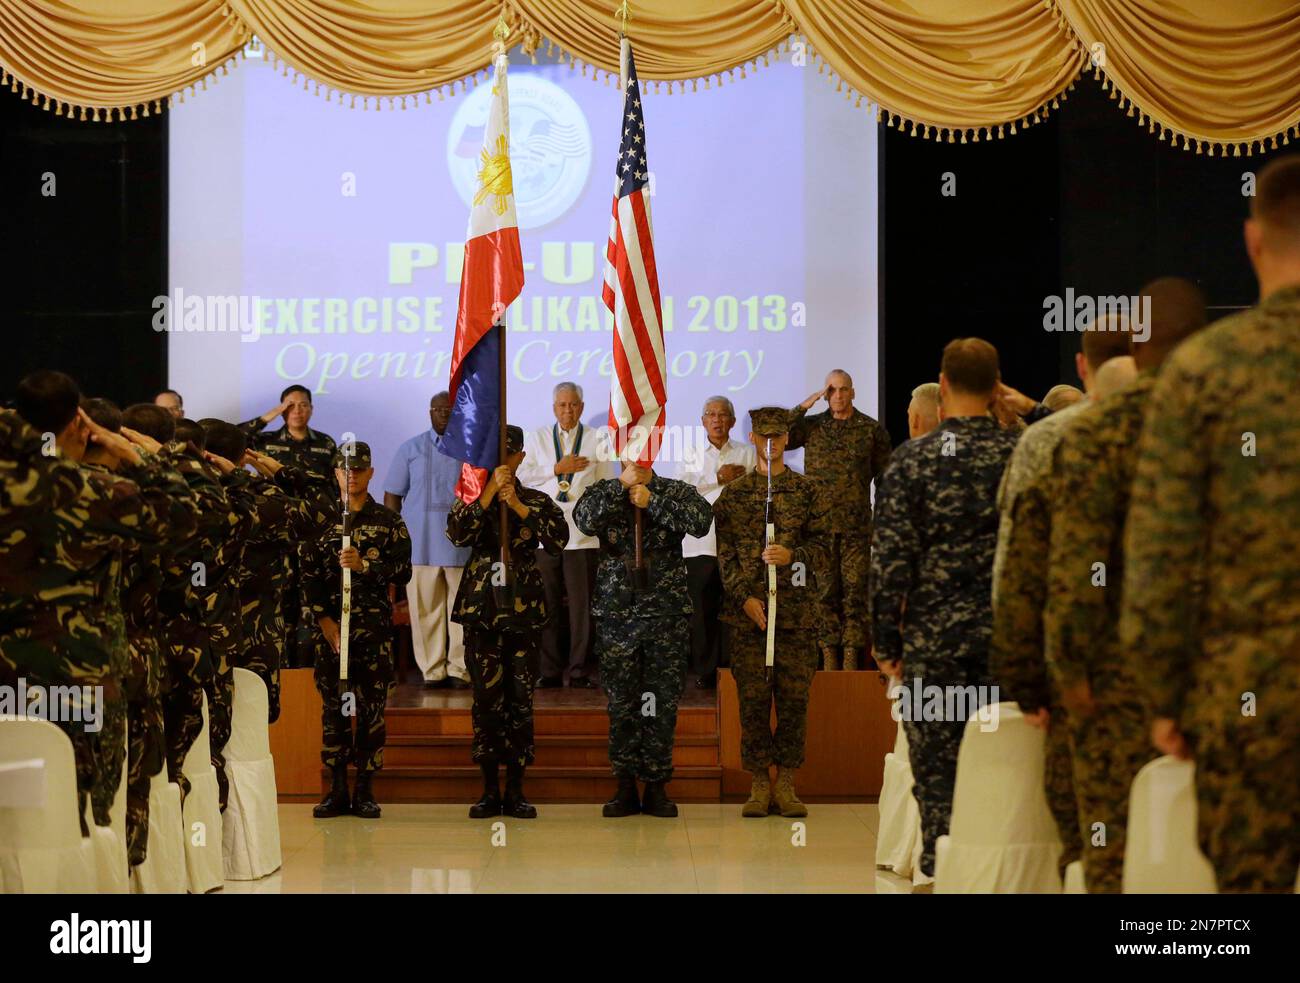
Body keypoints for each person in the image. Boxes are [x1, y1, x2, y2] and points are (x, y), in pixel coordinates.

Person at [1122, 156, 1300, 893]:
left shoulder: (1202, 370)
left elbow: (1160, 555)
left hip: (1245, 696)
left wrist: (1165, 697)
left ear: (1254, 240)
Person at [1046, 277, 1206, 892]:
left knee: (1110, 846)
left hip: (1116, 679)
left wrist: (1069, 671)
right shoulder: (1245, 415)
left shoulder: (1097, 432)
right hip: (1240, 676)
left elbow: (1076, 569)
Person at [3, 371, 193, 832]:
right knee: (87, 821)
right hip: (79, 677)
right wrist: (140, 455)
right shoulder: (90, 491)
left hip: (7, 678)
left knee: (11, 822)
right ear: (79, 423)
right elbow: (186, 515)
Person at [870, 339, 1019, 883]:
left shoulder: (911, 461)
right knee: (1003, 791)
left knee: (939, 798)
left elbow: (888, 566)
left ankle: (938, 872)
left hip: (932, 656)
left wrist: (887, 647)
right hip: (1007, 652)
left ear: (945, 384)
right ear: (998, 386)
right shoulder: (1020, 453)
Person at [988, 318, 1132, 875]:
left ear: (1081, 365)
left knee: (1088, 833)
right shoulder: (1191, 429)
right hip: (1184, 676)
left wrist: (1026, 680)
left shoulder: (1049, 442)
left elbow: (1018, 568)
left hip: (1084, 677)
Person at [574, 458, 712, 818]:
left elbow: (701, 523)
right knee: (622, 705)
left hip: (665, 619)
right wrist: (621, 488)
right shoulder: (605, 491)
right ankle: (623, 786)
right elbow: (584, 521)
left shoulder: (674, 490)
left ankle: (656, 787)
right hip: (618, 618)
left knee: (660, 705)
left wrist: (653, 502)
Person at [446, 426, 568, 819]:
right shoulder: (469, 496)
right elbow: (458, 533)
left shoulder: (535, 499)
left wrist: (515, 505)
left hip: (522, 610)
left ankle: (516, 789)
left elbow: (558, 538)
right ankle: (487, 790)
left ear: (519, 458)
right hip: (482, 610)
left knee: (520, 701)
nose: (503, 460)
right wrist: (486, 496)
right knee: (486, 701)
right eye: (495, 454)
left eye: (509, 454)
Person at [713, 407, 829, 817]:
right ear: (752, 437)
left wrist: (793, 555)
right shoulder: (735, 495)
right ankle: (760, 783)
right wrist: (744, 597)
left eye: (778, 436)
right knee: (754, 702)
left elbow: (824, 551)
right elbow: (724, 556)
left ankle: (788, 784)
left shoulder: (808, 491)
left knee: (795, 701)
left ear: (786, 439)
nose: (770, 443)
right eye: (763, 436)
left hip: (796, 617)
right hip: (750, 618)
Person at [304, 441, 412, 820]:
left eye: (359, 469)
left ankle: (365, 788)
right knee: (334, 710)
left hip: (372, 631)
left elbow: (404, 572)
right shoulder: (321, 520)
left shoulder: (388, 521)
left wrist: (367, 566)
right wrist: (325, 621)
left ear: (371, 473)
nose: (352, 476)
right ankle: (335, 789)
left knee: (370, 711)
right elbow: (308, 576)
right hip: (333, 633)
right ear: (336, 474)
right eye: (345, 470)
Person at [789, 369, 892, 670]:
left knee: (854, 593)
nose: (838, 395)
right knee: (823, 593)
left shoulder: (871, 430)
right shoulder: (811, 427)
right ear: (825, 394)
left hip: (856, 529)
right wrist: (803, 406)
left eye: (843, 389)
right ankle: (828, 655)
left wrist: (882, 524)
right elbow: (780, 434)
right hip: (818, 529)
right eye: (831, 390)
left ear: (853, 392)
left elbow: (885, 480)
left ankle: (850, 655)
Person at [517, 382, 613, 688]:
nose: (567, 410)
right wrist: (556, 468)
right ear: (553, 408)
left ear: (582, 407)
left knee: (582, 608)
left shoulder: (597, 438)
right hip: (546, 535)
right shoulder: (538, 438)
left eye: (573, 405)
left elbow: (606, 484)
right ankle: (549, 671)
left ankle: (579, 669)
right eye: (562, 405)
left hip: (583, 536)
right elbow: (521, 476)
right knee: (548, 604)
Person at [241, 384, 338, 670]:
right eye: (290, 405)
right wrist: (270, 416)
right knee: (279, 605)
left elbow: (333, 491)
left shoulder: (326, 443)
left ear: (312, 408)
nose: (298, 410)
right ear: (282, 409)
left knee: (311, 606)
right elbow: (233, 436)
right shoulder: (266, 442)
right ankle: (279, 671)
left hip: (311, 536)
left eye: (304, 404)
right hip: (275, 536)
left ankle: (307, 674)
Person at [383, 392, 471, 689]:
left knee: (460, 613)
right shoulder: (411, 449)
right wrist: (393, 538)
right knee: (425, 611)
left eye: (450, 409)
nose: (444, 413)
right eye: (439, 409)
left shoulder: (471, 449)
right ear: (429, 412)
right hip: (420, 545)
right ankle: (433, 670)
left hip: (462, 546)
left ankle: (459, 669)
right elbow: (393, 494)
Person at [678, 396, 755, 688]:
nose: (717, 419)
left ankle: (734, 667)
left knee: (737, 607)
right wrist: (716, 476)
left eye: (723, 415)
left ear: (732, 422)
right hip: (700, 545)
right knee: (703, 610)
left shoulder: (747, 454)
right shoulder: (692, 453)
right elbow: (683, 489)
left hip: (739, 545)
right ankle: (707, 671)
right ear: (703, 421)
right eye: (710, 414)